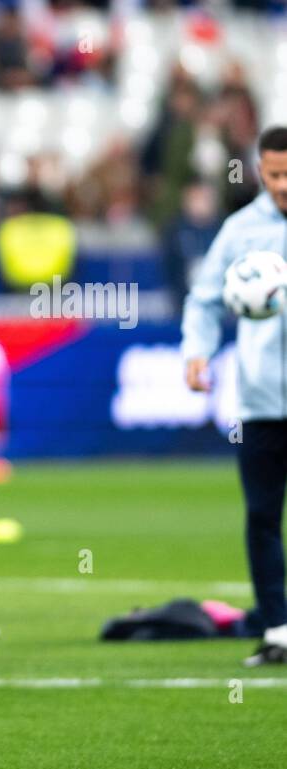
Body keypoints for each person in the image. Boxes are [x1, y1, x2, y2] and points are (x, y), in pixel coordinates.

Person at [182, 125, 287, 667]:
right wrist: (196, 351)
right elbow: (203, 299)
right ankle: (277, 631)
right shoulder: (242, 230)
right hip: (262, 401)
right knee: (263, 516)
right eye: (274, 174)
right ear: (260, 171)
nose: (283, 184)